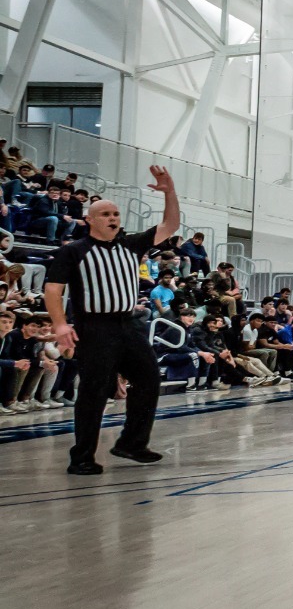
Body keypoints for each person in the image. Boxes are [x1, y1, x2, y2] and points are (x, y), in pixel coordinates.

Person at [43, 166, 180, 475]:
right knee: (94, 391)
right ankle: (82, 457)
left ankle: (131, 443)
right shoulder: (74, 251)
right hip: (94, 327)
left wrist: (169, 192)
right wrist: (60, 324)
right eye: (105, 214)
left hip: (128, 324)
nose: (113, 217)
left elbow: (170, 224)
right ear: (90, 220)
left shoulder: (131, 246)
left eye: (115, 213)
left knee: (148, 379)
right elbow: (53, 289)